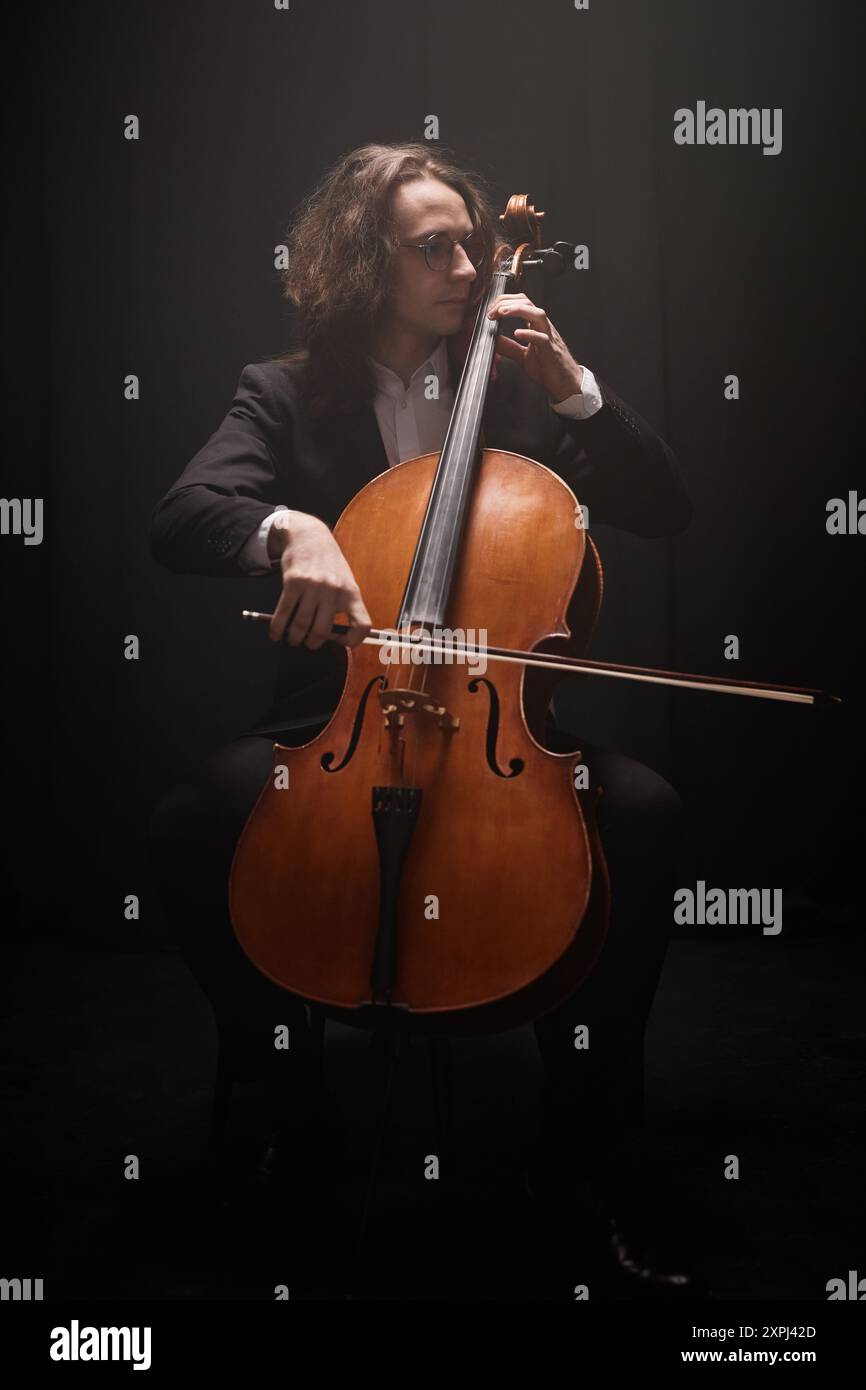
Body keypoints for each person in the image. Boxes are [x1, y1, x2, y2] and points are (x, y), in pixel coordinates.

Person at [147, 142, 700, 1297]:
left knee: (641, 815)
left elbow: (662, 506)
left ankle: (584, 1158)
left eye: (472, 245)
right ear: (364, 263)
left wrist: (574, 388)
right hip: (335, 719)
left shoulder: (518, 390)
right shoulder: (282, 392)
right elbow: (184, 514)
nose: (465, 267)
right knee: (195, 821)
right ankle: (278, 1105)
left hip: (502, 731)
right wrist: (289, 529)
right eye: (432, 248)